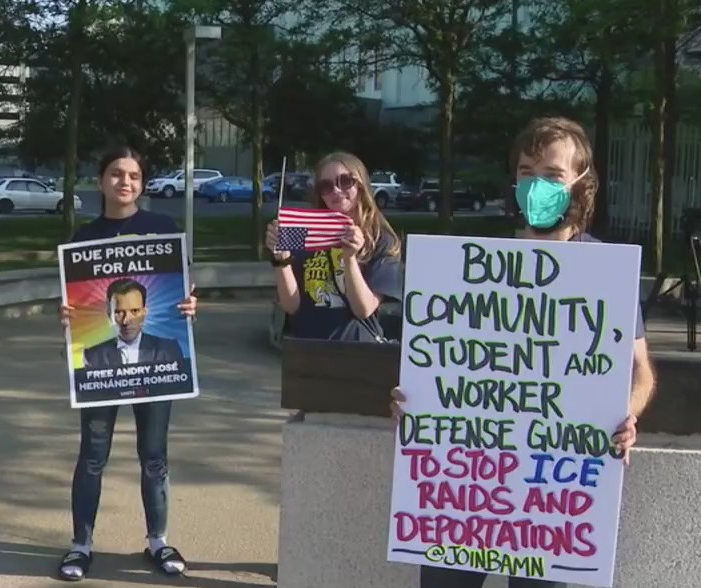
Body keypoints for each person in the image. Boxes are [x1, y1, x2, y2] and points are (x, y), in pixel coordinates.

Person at [390, 116, 657, 588]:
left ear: (580, 183)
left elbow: (641, 372)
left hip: (552, 495)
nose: (537, 185)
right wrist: (415, 403)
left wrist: (626, 416)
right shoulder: (469, 270)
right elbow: (440, 367)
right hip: (464, 489)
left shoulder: (606, 274)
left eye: (552, 175)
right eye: (527, 172)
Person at [56, 147, 197, 582]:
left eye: (134, 176)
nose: (125, 182)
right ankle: (81, 545)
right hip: (100, 373)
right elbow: (76, 300)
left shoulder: (162, 229)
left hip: (155, 371)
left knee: (154, 456)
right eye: (116, 174)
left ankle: (158, 540)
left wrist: (190, 305)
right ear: (100, 181)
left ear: (143, 183)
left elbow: (182, 285)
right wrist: (68, 314)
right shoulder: (84, 237)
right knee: (92, 456)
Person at [265, 151, 404, 340]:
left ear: (361, 185)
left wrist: (349, 258)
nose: (336, 191)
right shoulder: (307, 233)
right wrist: (280, 259)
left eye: (345, 181)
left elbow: (364, 309)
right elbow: (291, 305)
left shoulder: (380, 240)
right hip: (306, 351)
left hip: (358, 353)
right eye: (326, 186)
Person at [81, 278, 183, 369]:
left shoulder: (168, 349)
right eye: (119, 312)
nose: (126, 321)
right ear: (109, 314)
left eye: (134, 311)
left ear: (144, 313)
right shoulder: (93, 356)